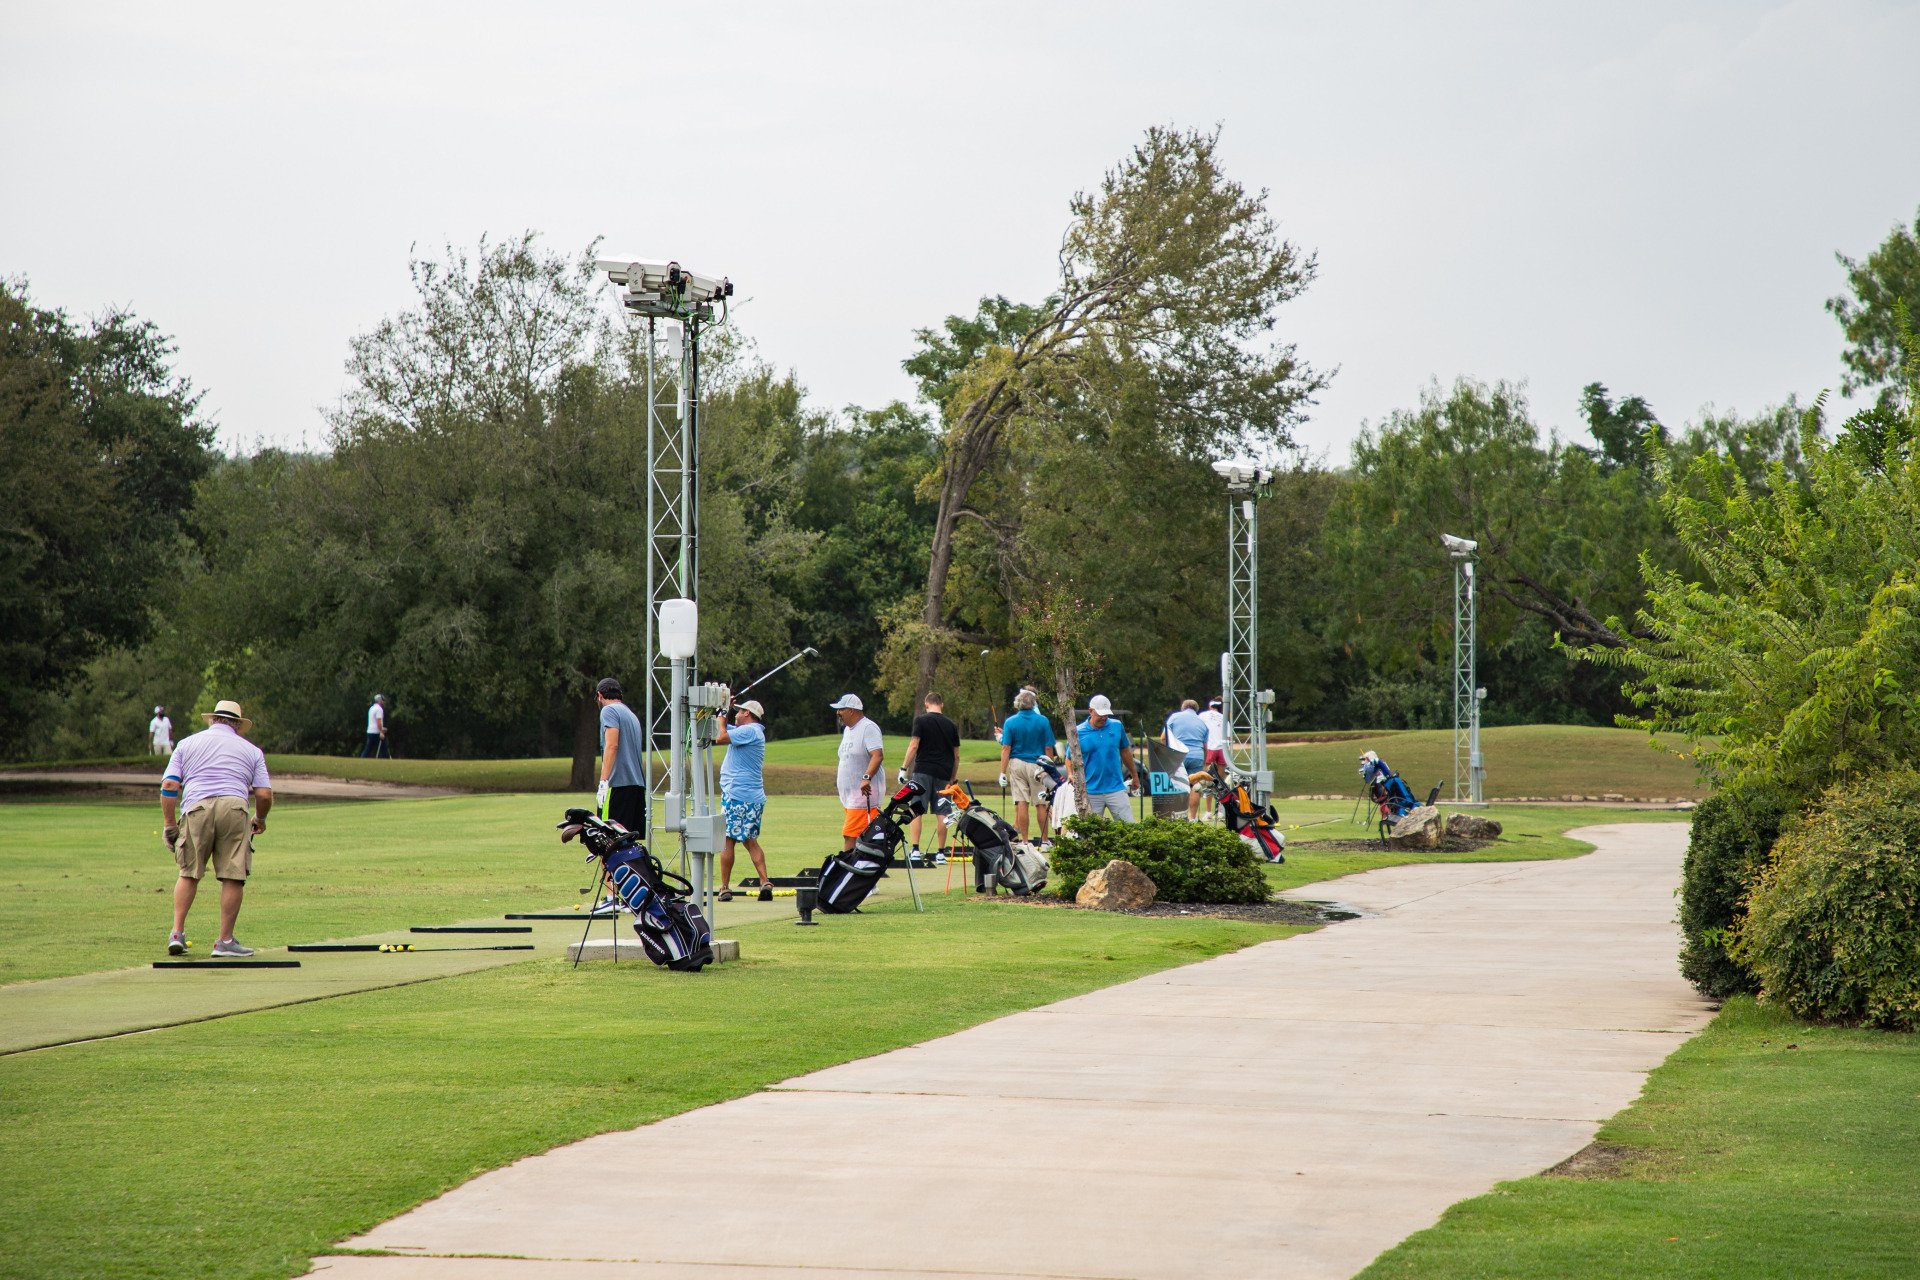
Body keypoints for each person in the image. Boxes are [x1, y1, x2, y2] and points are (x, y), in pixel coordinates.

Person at [161, 699, 272, 957]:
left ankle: (176, 933)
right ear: (237, 725)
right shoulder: (252, 750)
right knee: (233, 874)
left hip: (196, 807)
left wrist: (169, 824)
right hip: (235, 808)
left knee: (189, 871)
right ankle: (224, 941)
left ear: (212, 720)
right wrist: (261, 819)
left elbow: (169, 786)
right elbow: (264, 794)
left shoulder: (186, 744)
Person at [713, 698, 772, 903]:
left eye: (739, 712)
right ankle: (765, 882)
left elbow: (720, 737)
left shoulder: (750, 730)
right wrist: (723, 710)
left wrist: (722, 710)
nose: (736, 714)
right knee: (750, 840)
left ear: (747, 714)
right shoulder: (751, 732)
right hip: (752, 797)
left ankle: (724, 888)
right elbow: (718, 727)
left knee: (728, 840)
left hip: (737, 795)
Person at [900, 692, 961, 864]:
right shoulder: (951, 725)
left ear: (927, 705)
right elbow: (956, 756)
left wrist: (903, 768)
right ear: (941, 704)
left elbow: (914, 745)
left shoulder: (921, 720)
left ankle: (915, 850)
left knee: (917, 809)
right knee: (942, 812)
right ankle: (941, 853)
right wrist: (953, 777)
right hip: (944, 773)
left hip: (923, 771)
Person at [999, 688, 1059, 843]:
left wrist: (1002, 772)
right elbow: (1048, 747)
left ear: (1018, 704)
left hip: (1017, 764)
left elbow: (1006, 748)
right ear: (1034, 704)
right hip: (1038, 765)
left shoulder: (1010, 722)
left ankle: (1025, 841)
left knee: (1021, 802)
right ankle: (1045, 841)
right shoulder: (1043, 720)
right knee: (1041, 803)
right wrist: (1050, 767)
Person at [1075, 694, 1142, 821]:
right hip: (1090, 791)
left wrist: (1135, 775)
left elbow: (1125, 752)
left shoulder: (1117, 726)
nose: (1104, 718)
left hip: (1116, 787)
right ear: (1091, 711)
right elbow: (1070, 759)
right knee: (1090, 832)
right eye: (1101, 714)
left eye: (1106, 714)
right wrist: (1071, 775)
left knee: (1128, 828)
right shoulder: (1078, 731)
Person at [831, 693, 884, 852]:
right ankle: (857, 867)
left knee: (850, 834)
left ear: (852, 710)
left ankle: (848, 872)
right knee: (858, 835)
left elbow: (878, 755)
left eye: (841, 709)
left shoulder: (868, 727)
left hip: (862, 795)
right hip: (850, 796)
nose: (838, 713)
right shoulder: (848, 730)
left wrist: (866, 777)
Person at [595, 677, 647, 833]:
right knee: (628, 844)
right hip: (636, 787)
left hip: (617, 785)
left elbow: (612, 745)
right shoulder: (631, 715)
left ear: (600, 695)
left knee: (607, 841)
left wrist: (604, 782)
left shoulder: (608, 711)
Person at [1163, 698, 1210, 820]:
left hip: (1179, 755)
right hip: (1197, 756)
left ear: (1182, 708)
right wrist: (1204, 764)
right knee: (1195, 786)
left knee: (1177, 784)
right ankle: (1193, 818)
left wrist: (1168, 753)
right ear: (1196, 710)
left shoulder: (1174, 717)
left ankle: (1177, 816)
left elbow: (1163, 738)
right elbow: (1205, 747)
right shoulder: (1202, 722)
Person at [1200, 697, 1229, 817]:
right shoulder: (1224, 719)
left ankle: (1208, 812)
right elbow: (1228, 738)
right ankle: (1220, 811)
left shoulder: (1203, 715)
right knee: (1220, 782)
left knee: (1208, 781)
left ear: (1211, 706)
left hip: (1210, 748)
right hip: (1222, 749)